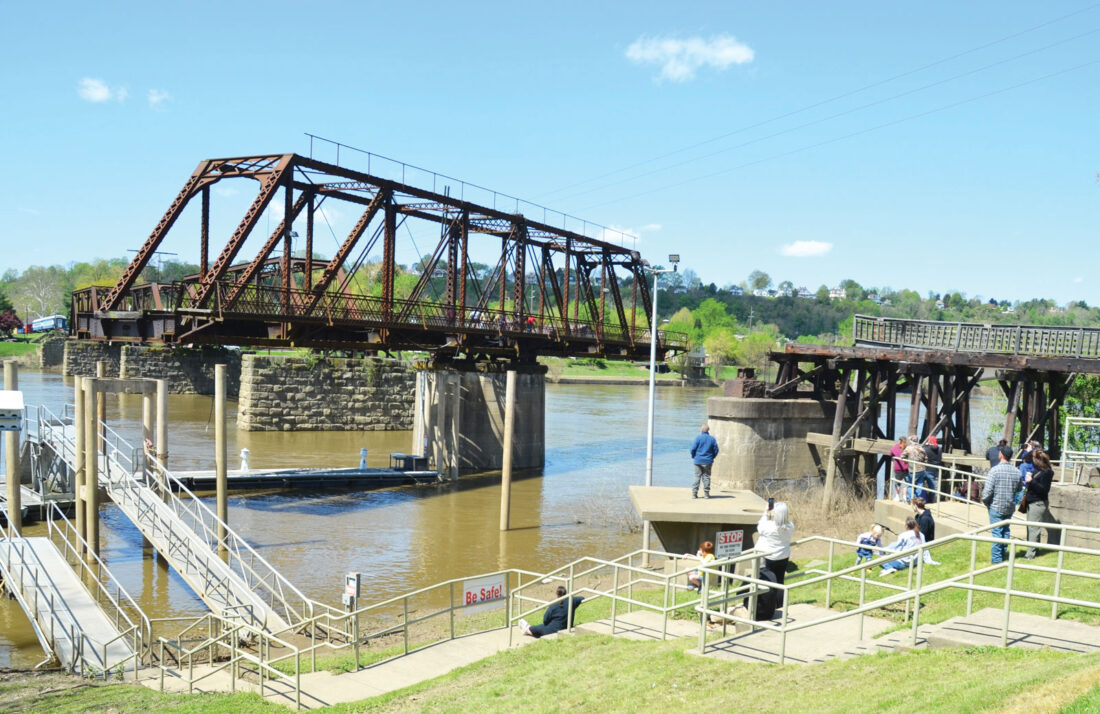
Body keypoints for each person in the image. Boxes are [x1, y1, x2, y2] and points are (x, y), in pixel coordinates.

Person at [982, 444, 1022, 563]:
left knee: (997, 532)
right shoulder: (1017, 472)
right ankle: (1003, 554)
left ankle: (996, 559)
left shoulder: (994, 471)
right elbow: (1019, 489)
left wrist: (986, 502)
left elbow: (987, 492)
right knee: (1005, 531)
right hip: (1009, 506)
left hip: (996, 506)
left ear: (1001, 455)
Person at [756, 500, 794, 607]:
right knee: (779, 581)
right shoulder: (790, 526)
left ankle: (767, 604)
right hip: (783, 557)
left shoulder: (769, 526)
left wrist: (765, 513)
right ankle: (779, 604)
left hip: (769, 557)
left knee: (767, 581)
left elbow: (760, 528)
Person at [1023, 449, 1057, 560]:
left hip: (1038, 503)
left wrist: (1031, 481)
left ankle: (1030, 554)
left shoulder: (1048, 472)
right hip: (1031, 501)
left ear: (1037, 460)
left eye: (1034, 458)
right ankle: (1034, 550)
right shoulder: (1037, 470)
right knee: (1031, 528)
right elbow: (1027, 457)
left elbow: (1044, 490)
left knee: (1033, 529)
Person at [518, 586, 585, 638]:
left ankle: (527, 629)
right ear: (566, 593)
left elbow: (545, 620)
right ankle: (527, 627)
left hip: (553, 630)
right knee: (538, 628)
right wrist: (571, 598)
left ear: (557, 594)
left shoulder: (553, 606)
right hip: (566, 627)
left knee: (534, 629)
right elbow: (582, 598)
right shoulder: (572, 601)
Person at [689, 424, 719, 499]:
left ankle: (694, 494)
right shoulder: (712, 439)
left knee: (697, 477)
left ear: (701, 430)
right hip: (708, 461)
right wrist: (712, 457)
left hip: (698, 461)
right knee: (706, 477)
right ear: (708, 430)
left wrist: (693, 456)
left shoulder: (698, 438)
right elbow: (716, 450)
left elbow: (692, 449)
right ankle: (706, 494)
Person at [901, 435, 927, 501]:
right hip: (921, 469)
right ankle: (918, 498)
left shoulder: (909, 448)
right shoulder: (921, 448)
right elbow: (926, 459)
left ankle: (911, 498)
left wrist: (907, 461)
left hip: (913, 469)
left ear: (911, 441)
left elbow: (902, 456)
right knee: (920, 484)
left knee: (910, 484)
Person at [922, 435, 943, 503]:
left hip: (927, 468)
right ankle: (932, 500)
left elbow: (922, 455)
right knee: (933, 486)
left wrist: (926, 445)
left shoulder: (925, 448)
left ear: (929, 441)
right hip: (936, 468)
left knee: (920, 483)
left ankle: (923, 499)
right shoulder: (939, 448)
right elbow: (940, 459)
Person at [889, 437, 908, 501]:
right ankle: (905, 497)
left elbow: (891, 453)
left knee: (897, 483)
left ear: (899, 441)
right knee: (906, 483)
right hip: (906, 468)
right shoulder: (907, 447)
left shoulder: (895, 447)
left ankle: (897, 496)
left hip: (898, 468)